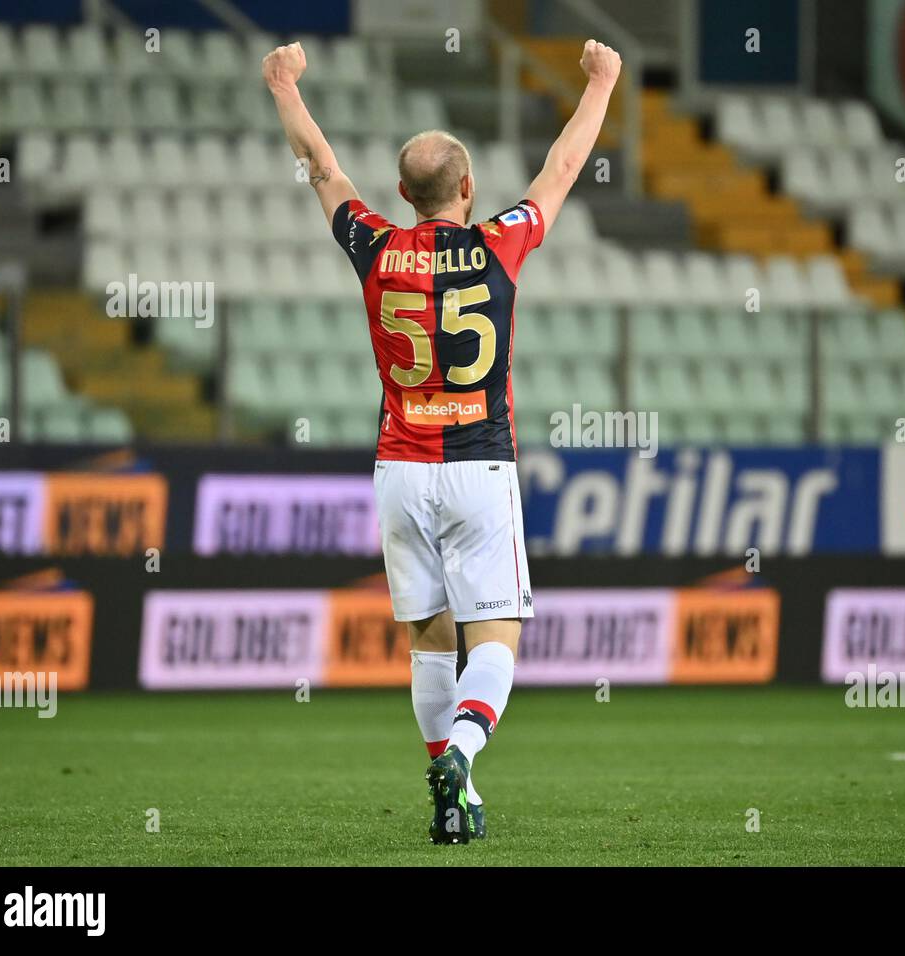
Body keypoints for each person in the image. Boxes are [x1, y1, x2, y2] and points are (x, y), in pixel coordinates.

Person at [263, 37, 622, 844]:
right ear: (468, 187)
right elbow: (562, 170)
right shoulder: (501, 243)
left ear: (401, 192)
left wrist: (285, 87)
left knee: (428, 644)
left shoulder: (376, 248)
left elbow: (322, 168)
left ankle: (450, 801)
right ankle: (460, 759)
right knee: (497, 639)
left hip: (398, 467)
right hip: (480, 462)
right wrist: (601, 84)